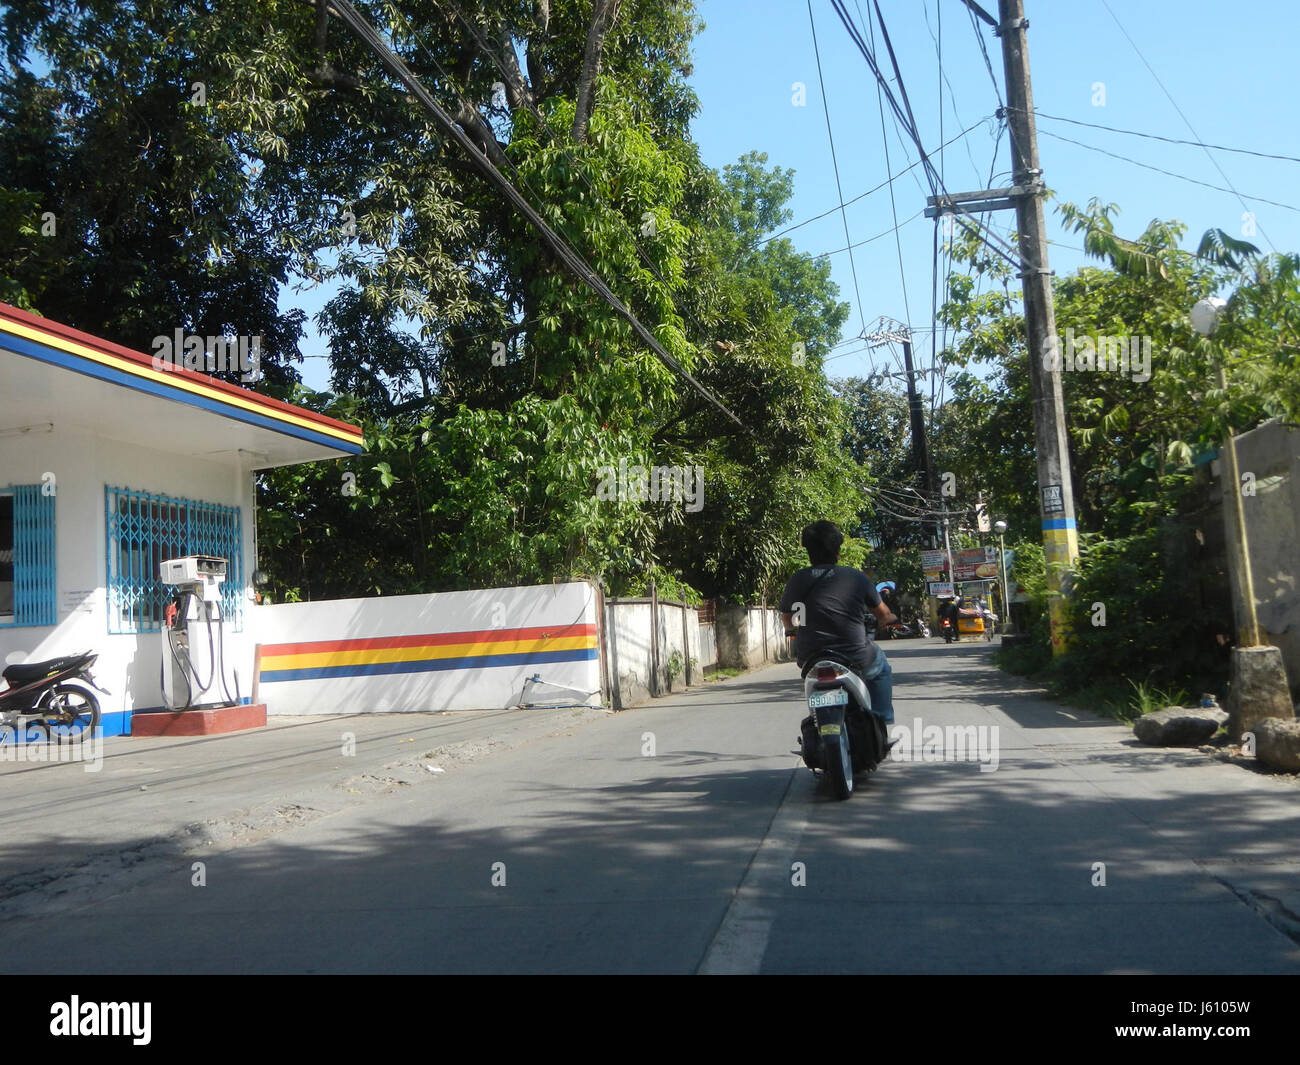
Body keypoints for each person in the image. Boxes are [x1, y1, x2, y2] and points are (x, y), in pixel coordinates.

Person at [778, 520, 897, 724]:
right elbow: (884, 615)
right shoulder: (855, 578)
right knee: (881, 668)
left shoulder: (797, 579)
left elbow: (788, 618)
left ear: (808, 551)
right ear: (838, 550)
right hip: (856, 656)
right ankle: (882, 722)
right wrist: (889, 620)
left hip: (810, 659)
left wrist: (792, 630)